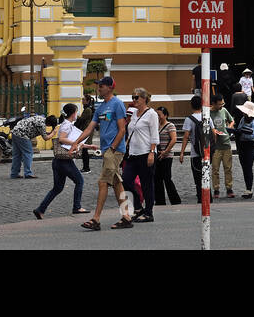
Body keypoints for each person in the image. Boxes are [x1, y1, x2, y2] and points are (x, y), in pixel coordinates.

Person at [69, 76, 131, 231]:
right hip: (106, 151)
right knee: (117, 184)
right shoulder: (101, 107)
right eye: (99, 86)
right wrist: (76, 142)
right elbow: (90, 128)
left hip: (114, 150)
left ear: (110, 87)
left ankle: (96, 219)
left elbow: (122, 129)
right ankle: (126, 217)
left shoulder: (117, 104)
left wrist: (113, 148)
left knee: (103, 182)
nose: (99, 88)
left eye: (101, 86)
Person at [35, 105, 92, 219]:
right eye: (76, 112)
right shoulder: (67, 125)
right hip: (65, 161)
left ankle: (40, 209)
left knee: (57, 188)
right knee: (79, 181)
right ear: (73, 113)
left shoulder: (66, 124)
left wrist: (89, 146)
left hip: (58, 161)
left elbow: (71, 141)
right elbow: (62, 139)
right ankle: (77, 207)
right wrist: (75, 143)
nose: (77, 114)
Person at [123, 88, 159, 222]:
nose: (134, 100)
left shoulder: (152, 114)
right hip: (133, 153)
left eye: (136, 97)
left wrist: (152, 152)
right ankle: (138, 207)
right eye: (132, 97)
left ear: (144, 99)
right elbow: (130, 132)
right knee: (126, 180)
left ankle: (149, 212)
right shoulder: (133, 114)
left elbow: (154, 135)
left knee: (146, 184)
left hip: (146, 153)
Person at [178, 95, 206, 203]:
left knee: (198, 178)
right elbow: (214, 133)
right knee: (206, 175)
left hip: (195, 153)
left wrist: (182, 153)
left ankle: (200, 198)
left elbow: (186, 137)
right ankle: (208, 197)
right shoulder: (206, 116)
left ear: (191, 105)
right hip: (206, 152)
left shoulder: (189, 119)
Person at [209, 92, 236, 198]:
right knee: (215, 169)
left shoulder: (224, 110)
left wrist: (229, 127)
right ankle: (216, 189)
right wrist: (213, 131)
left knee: (228, 168)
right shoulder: (208, 113)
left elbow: (232, 121)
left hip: (226, 143)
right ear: (213, 104)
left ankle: (229, 188)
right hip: (215, 146)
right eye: (219, 104)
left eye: (222, 104)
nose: (221, 106)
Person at [154, 106, 181, 207]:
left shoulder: (170, 125)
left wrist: (166, 151)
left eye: (159, 115)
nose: (158, 117)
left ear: (165, 115)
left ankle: (175, 200)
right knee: (157, 178)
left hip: (167, 155)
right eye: (156, 115)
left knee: (167, 178)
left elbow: (174, 139)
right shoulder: (156, 126)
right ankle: (160, 201)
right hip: (158, 155)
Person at [234, 99, 254, 198]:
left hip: (249, 146)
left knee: (248, 167)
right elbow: (239, 129)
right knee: (244, 168)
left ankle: (249, 189)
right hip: (241, 146)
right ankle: (247, 188)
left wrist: (242, 134)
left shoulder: (253, 122)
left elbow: (253, 136)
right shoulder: (242, 119)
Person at [76, 95, 95, 173]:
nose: (82, 101)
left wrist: (75, 116)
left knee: (84, 150)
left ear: (87, 101)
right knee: (84, 150)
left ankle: (86, 168)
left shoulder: (88, 110)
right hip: (85, 131)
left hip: (86, 132)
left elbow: (82, 119)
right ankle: (85, 167)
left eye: (83, 100)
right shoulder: (87, 109)